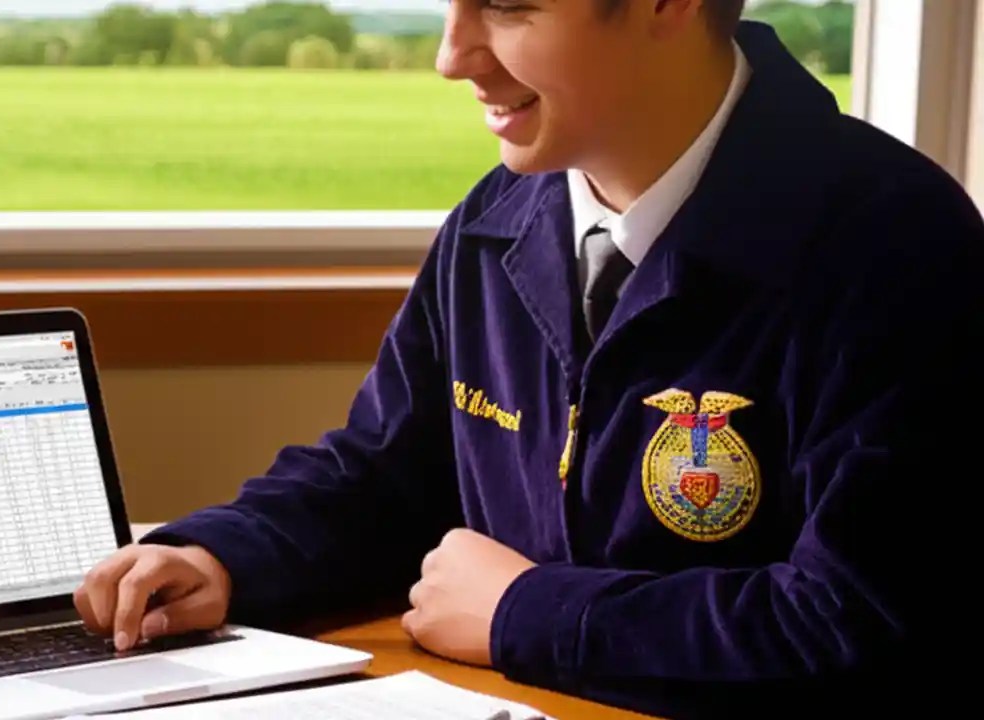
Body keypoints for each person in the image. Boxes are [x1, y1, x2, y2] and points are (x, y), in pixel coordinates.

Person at [74, 1, 982, 716]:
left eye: (508, 7)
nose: (451, 54)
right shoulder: (493, 222)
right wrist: (223, 555)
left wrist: (526, 614)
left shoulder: (899, 250)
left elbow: (861, 627)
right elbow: (388, 477)